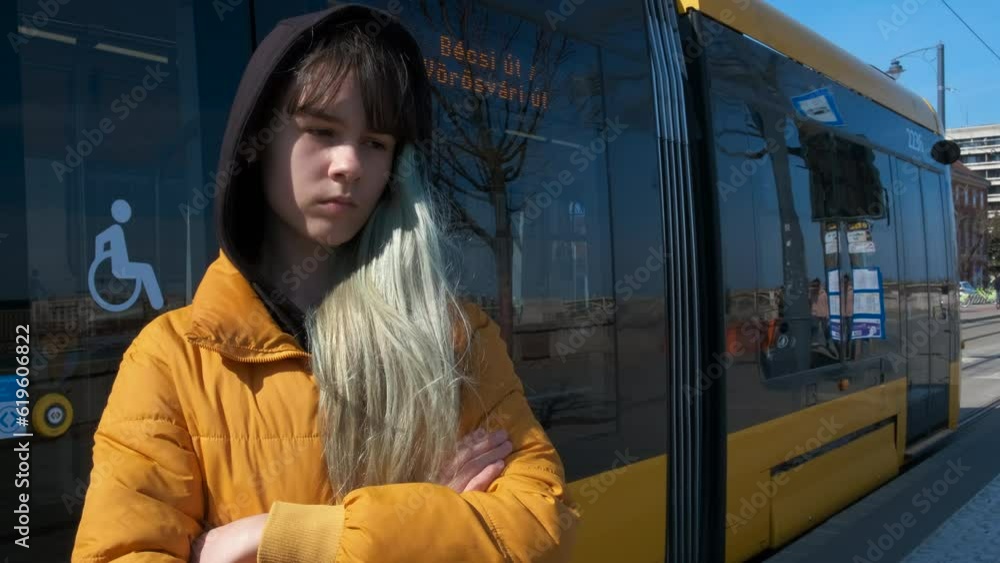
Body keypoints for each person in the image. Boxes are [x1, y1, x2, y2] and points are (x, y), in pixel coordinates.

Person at [71, 5, 578, 562]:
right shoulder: (172, 362)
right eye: (321, 130)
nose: (349, 164)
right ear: (258, 142)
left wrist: (274, 537)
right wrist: (429, 512)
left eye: (377, 142)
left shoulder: (456, 337)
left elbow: (543, 526)